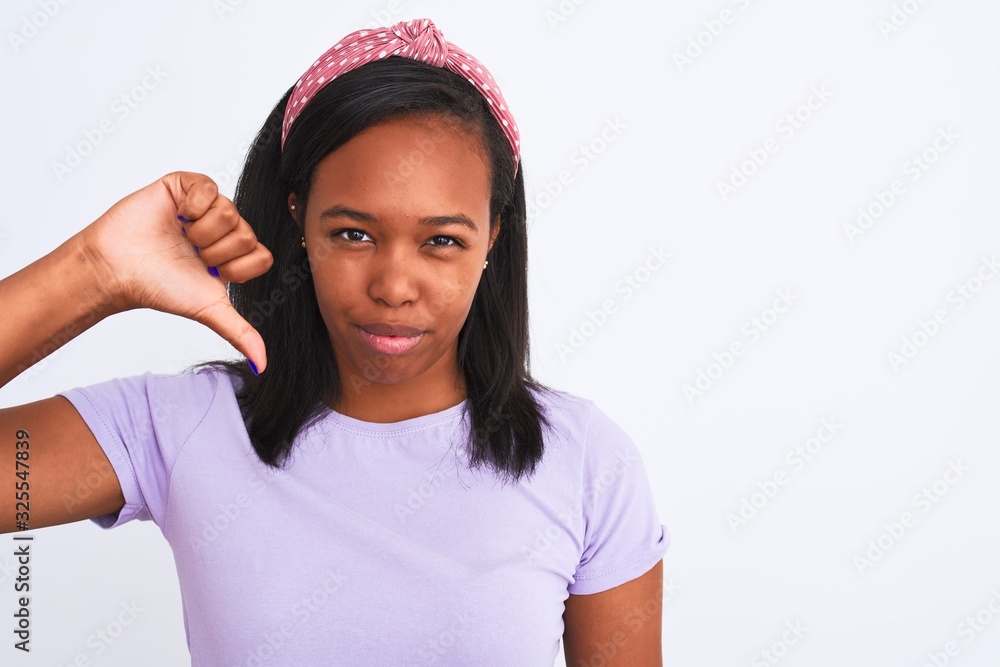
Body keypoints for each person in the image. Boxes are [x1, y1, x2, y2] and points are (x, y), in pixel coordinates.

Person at [0, 17, 669, 666]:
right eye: (353, 233)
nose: (393, 287)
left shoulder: (587, 462)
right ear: (298, 216)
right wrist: (94, 272)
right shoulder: (177, 427)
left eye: (442, 240)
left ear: (492, 235)